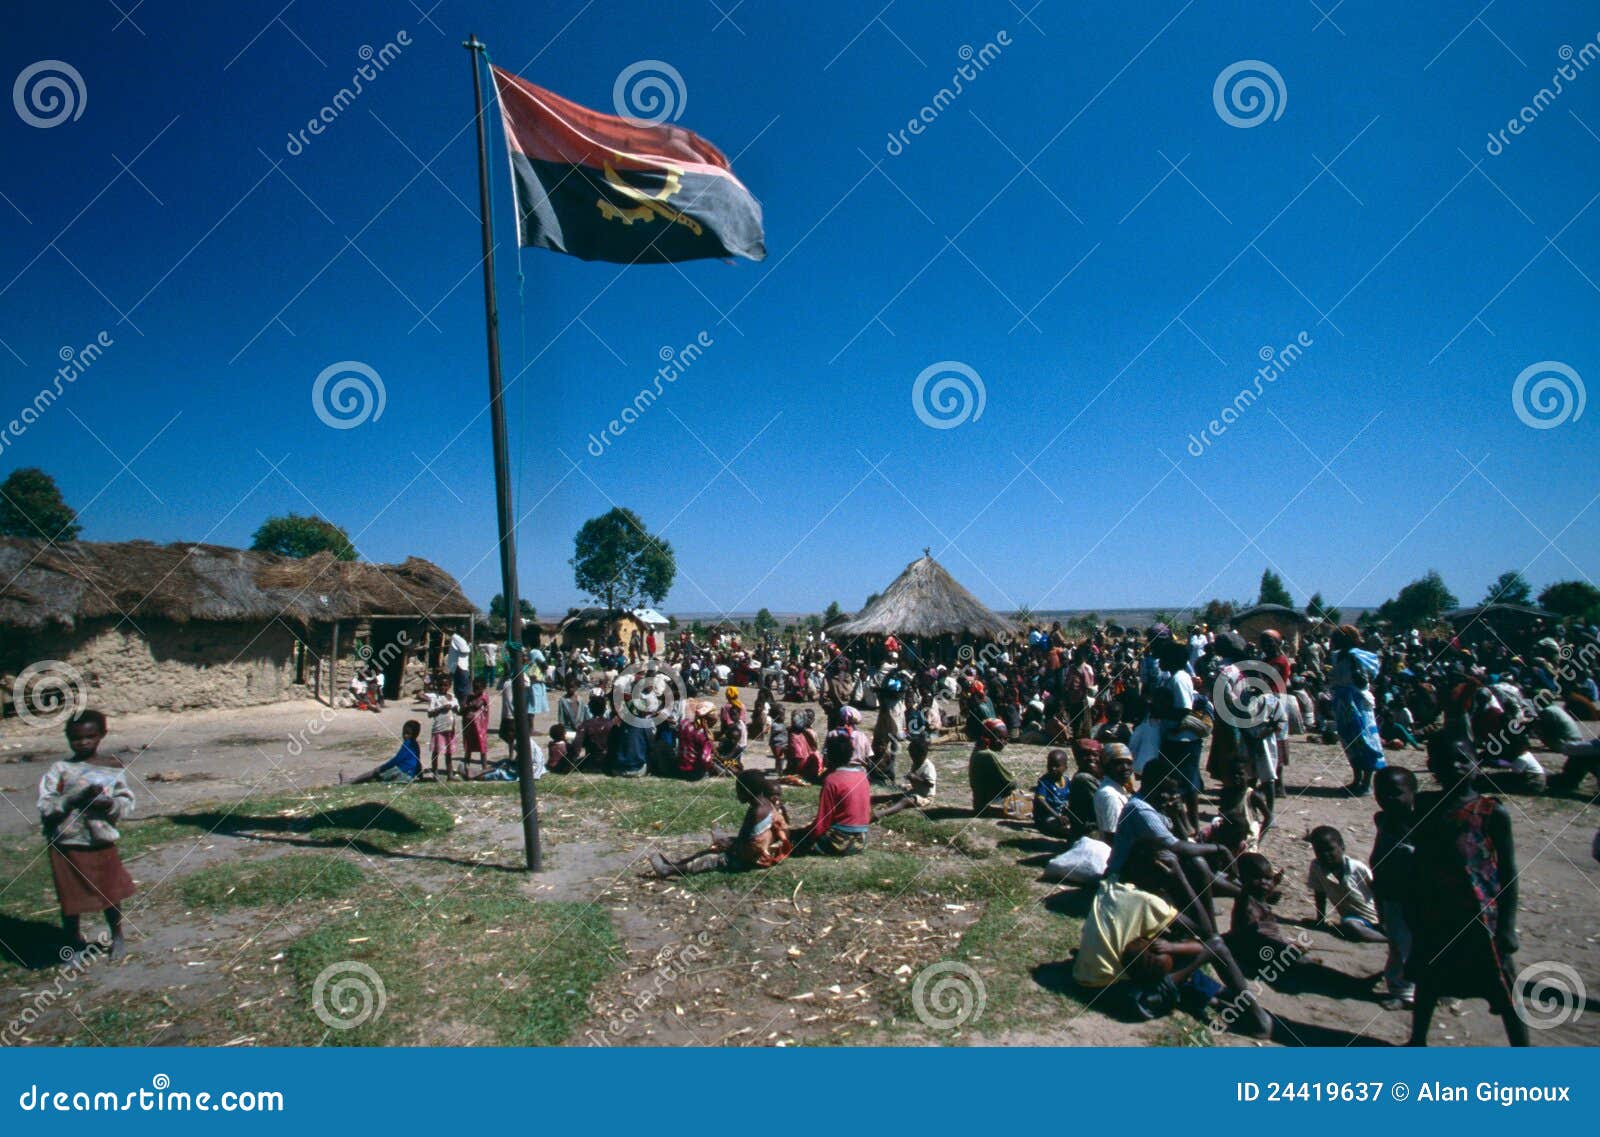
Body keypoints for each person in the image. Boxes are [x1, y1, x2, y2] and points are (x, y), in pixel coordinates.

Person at [1407, 737, 1527, 1046]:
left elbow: (1508, 872)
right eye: (1445, 762)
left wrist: (1508, 926)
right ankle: (1417, 1040)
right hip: (1437, 914)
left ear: (1477, 763)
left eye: (1463, 760)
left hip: (1481, 916)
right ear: (1432, 767)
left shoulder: (1491, 811)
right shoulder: (1425, 806)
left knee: (1503, 985)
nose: (1455, 767)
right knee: (1429, 980)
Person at [37, 710, 135, 961]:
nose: (83, 742)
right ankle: (73, 943)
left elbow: (126, 800)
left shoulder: (112, 768)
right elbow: (46, 806)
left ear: (102, 735)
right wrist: (72, 799)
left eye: (90, 736)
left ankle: (117, 935)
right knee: (71, 899)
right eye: (76, 738)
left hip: (100, 842)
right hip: (67, 843)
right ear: (68, 738)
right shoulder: (60, 770)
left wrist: (109, 805)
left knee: (110, 893)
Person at [1371, 766, 1418, 1008]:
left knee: (1422, 942)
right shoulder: (1384, 821)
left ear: (1413, 792)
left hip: (1419, 893)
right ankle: (1401, 991)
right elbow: (1378, 856)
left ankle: (1427, 985)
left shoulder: (1420, 822)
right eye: (1381, 793)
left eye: (1395, 793)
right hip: (1391, 892)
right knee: (1399, 942)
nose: (1387, 798)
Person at [793, 732, 871, 856]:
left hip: (839, 842)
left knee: (794, 838)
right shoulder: (862, 776)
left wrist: (805, 838)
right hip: (861, 840)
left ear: (829, 756)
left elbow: (823, 821)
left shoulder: (832, 780)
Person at [1307, 826, 1385, 942]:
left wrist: (1384, 920)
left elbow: (1378, 890)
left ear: (1342, 847)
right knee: (1351, 926)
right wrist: (1320, 920)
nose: (1325, 854)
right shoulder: (1317, 867)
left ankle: (1387, 937)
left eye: (1330, 849)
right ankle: (1385, 938)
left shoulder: (1357, 868)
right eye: (1319, 851)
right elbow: (1320, 893)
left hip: (1376, 917)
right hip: (1354, 920)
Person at [873, 735, 937, 820]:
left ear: (922, 755)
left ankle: (881, 813)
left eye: (914, 756)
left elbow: (930, 784)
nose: (912, 758)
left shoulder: (928, 767)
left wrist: (915, 778)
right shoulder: (916, 763)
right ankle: (873, 799)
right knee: (895, 796)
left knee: (905, 801)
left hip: (925, 796)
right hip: (915, 791)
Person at [345, 720, 423, 784]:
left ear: (415, 734)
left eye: (408, 733)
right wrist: (420, 775)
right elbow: (418, 762)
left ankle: (350, 781)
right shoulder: (415, 745)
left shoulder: (407, 744)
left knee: (374, 773)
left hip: (402, 774)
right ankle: (353, 780)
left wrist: (382, 768)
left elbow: (396, 760)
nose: (405, 736)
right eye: (404, 733)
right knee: (377, 776)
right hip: (410, 775)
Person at [967, 717, 1017, 815]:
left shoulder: (978, 750)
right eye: (1002, 738)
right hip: (988, 800)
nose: (1005, 742)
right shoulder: (988, 755)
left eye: (1007, 738)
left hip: (979, 800)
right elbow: (1011, 782)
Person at [1093, 744, 1134, 840]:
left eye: (1129, 763)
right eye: (1118, 763)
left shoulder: (1119, 788)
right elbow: (1112, 836)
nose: (1125, 767)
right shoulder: (1111, 796)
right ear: (1107, 766)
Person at [1031, 748, 1075, 837]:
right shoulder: (1044, 781)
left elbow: (1071, 796)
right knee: (1060, 827)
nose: (1053, 768)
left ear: (1065, 767)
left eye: (1057, 766)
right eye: (1050, 765)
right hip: (1047, 816)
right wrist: (1057, 816)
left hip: (1061, 814)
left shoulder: (1066, 781)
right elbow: (1041, 800)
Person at [676, 701, 718, 781]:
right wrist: (712, 767)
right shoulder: (705, 735)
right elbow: (705, 759)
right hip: (694, 772)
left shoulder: (684, 723)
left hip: (680, 768)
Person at [426, 686, 460, 780]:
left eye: (446, 685)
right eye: (442, 685)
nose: (443, 687)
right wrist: (441, 708)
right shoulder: (435, 698)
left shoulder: (452, 697)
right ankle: (435, 774)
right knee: (436, 752)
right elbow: (430, 713)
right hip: (439, 728)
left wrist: (455, 708)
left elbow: (458, 711)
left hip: (450, 728)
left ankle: (450, 774)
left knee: (449, 753)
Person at [461, 677, 491, 774]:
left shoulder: (484, 697)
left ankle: (484, 766)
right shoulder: (470, 697)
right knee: (468, 746)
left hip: (480, 726)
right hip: (469, 725)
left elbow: (477, 705)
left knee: (482, 747)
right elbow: (462, 707)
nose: (475, 690)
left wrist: (467, 706)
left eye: (477, 688)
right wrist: (466, 705)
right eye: (474, 687)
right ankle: (466, 766)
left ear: (482, 688)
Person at [446, 625, 473, 706]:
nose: (464, 631)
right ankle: (463, 705)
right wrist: (469, 644)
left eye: (465, 630)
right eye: (462, 629)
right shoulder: (457, 638)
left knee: (459, 687)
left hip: (459, 666)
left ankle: (460, 704)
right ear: (458, 630)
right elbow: (465, 650)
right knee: (463, 688)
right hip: (461, 667)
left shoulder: (458, 638)